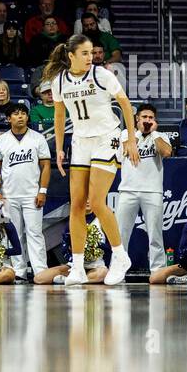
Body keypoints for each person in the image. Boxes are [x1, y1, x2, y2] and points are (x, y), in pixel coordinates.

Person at [44, 32, 138, 285]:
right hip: (81, 141)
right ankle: (76, 267)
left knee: (96, 202)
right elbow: (60, 116)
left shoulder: (101, 74)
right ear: (71, 55)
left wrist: (130, 139)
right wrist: (60, 148)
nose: (90, 57)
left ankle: (120, 256)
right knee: (76, 204)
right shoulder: (59, 81)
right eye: (84, 53)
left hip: (107, 137)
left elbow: (126, 104)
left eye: (92, 52)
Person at [0, 102, 50, 280]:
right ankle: (19, 272)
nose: (20, 116)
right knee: (12, 235)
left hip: (32, 195)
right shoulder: (1, 140)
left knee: (35, 233)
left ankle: (40, 271)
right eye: (16, 114)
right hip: (8, 196)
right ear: (9, 119)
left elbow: (46, 165)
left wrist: (43, 190)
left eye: (23, 113)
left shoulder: (38, 138)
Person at [116, 104, 172, 272]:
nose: (147, 121)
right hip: (128, 190)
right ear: (137, 119)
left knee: (155, 234)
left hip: (152, 191)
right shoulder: (126, 134)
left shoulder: (160, 136)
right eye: (144, 118)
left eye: (151, 118)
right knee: (121, 234)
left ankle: (157, 271)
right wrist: (139, 133)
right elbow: (126, 151)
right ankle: (118, 270)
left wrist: (153, 133)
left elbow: (167, 152)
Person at [34, 208, 109, 284]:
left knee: (102, 273)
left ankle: (67, 280)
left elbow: (110, 248)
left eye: (90, 198)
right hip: (74, 266)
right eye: (85, 198)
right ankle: (77, 279)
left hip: (96, 266)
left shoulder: (101, 220)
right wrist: (71, 253)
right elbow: (65, 247)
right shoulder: (73, 219)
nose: (87, 201)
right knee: (39, 278)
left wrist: (94, 250)